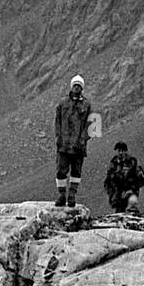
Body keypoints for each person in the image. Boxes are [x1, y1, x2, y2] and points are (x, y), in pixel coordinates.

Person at [54, 75, 92, 208]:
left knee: (76, 172)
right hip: (63, 145)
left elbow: (91, 125)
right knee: (61, 171)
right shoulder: (62, 103)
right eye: (75, 85)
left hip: (78, 147)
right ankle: (61, 195)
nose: (77, 87)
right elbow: (57, 122)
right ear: (71, 87)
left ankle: (72, 196)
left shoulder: (87, 105)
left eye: (79, 85)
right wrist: (58, 138)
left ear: (82, 88)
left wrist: (82, 140)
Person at [104, 142, 144, 213]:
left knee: (132, 206)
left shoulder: (132, 162)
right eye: (119, 150)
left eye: (122, 150)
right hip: (118, 195)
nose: (120, 153)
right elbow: (108, 182)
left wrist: (132, 189)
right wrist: (113, 194)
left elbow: (141, 180)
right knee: (119, 215)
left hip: (130, 192)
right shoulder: (113, 164)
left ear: (125, 151)